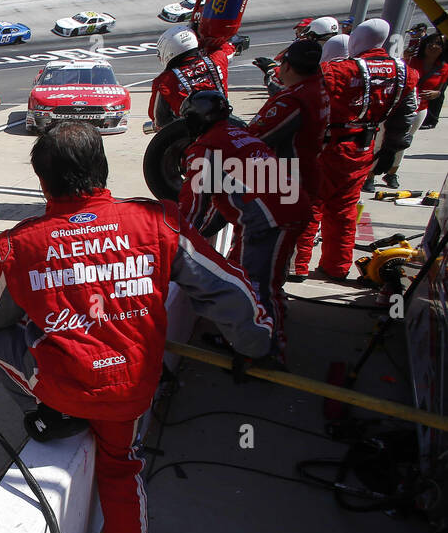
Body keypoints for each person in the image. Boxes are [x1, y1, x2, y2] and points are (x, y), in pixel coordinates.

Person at [0, 122, 274, 533]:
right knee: (121, 467)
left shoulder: (21, 243)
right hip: (131, 391)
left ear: (43, 184)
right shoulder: (158, 221)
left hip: (64, 385)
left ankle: (51, 412)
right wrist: (255, 344)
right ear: (102, 171)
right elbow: (226, 288)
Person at [178, 91, 306, 362]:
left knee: (258, 285)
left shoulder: (207, 147)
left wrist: (174, 237)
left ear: (195, 119)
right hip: (285, 208)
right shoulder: (239, 134)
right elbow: (216, 200)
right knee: (247, 273)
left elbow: (193, 204)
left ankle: (268, 351)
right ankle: (246, 335)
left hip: (270, 221)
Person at [301, 19, 417, 279]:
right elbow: (405, 115)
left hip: (328, 146)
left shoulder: (338, 70)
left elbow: (303, 98)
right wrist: (391, 150)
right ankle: (337, 267)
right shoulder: (403, 72)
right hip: (365, 148)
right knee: (344, 211)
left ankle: (297, 265)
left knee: (310, 207)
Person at [247, 40, 330, 282]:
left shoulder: (292, 101)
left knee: (265, 252)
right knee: (281, 249)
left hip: (287, 182)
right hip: (306, 172)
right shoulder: (318, 88)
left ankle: (265, 303)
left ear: (288, 66)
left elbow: (256, 136)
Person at [377, 31, 444, 187]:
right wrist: (404, 58)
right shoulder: (412, 60)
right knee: (381, 139)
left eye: (439, 44)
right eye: (431, 43)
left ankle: (392, 174)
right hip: (397, 106)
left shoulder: (444, 68)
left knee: (403, 142)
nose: (434, 46)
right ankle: (370, 174)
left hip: (420, 109)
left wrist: (436, 93)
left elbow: (440, 89)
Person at [149, 24, 237, 128]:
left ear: (168, 50)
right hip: (226, 122)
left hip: (193, 133)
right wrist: (203, 39)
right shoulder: (217, 58)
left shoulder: (164, 81)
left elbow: (158, 119)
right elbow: (228, 47)